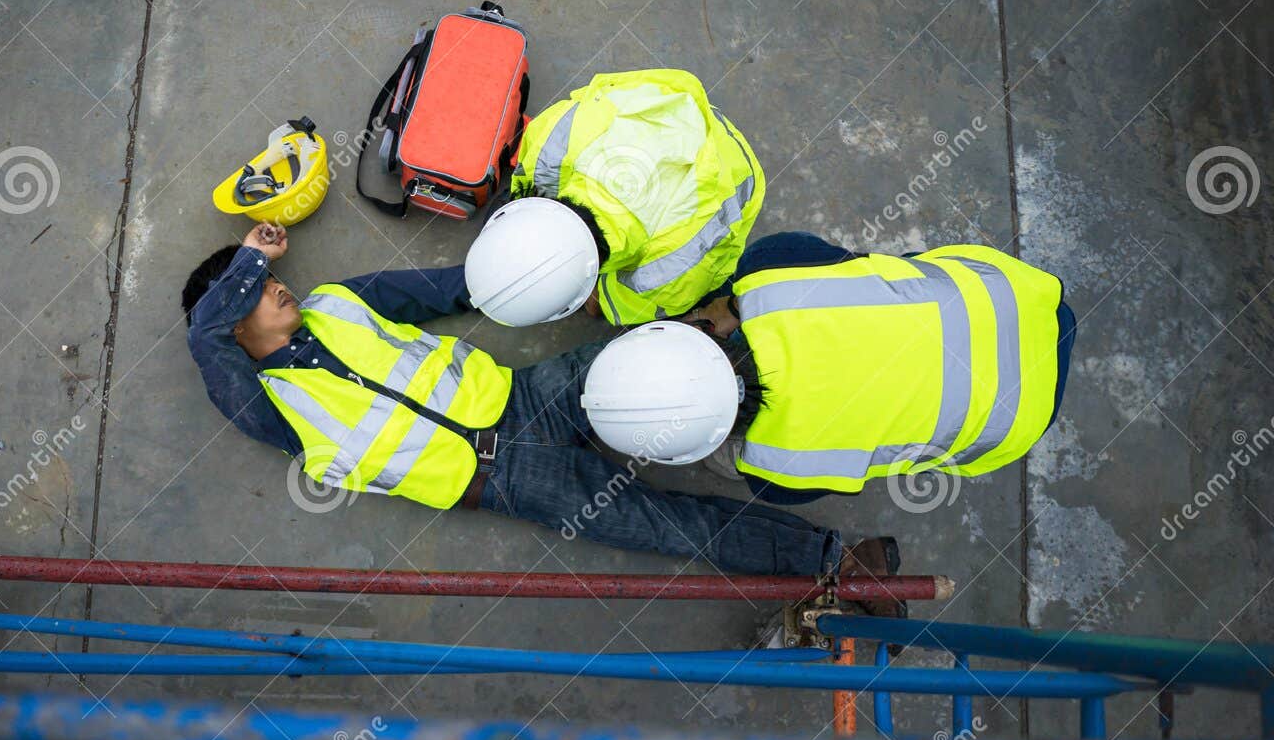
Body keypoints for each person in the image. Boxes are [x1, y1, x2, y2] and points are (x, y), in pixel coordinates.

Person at [182, 222, 900, 586]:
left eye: (270, 278)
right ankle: (836, 562)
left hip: (531, 397)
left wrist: (556, 267)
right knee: (670, 525)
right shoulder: (267, 405)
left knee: (678, 349)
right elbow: (205, 334)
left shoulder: (337, 302)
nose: (277, 286)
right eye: (256, 290)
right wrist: (248, 259)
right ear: (234, 325)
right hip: (508, 483)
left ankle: (823, 337)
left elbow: (454, 286)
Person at [674, 232, 1076, 505]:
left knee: (727, 463)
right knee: (874, 274)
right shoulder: (767, 269)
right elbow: (806, 253)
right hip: (1012, 294)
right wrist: (730, 306)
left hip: (1019, 416)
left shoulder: (775, 471)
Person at [469, 68, 766, 326]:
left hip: (736, 169)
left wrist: (601, 298)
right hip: (673, 107)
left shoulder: (664, 275)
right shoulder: (549, 148)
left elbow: (610, 306)